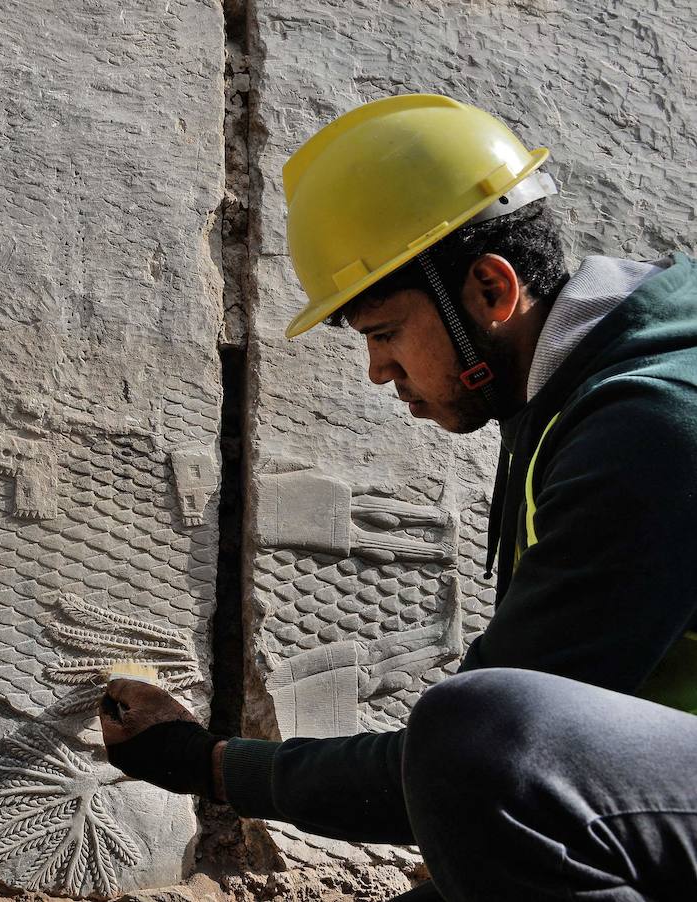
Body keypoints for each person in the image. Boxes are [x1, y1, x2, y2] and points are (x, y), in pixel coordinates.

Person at [99, 94, 697, 901]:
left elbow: (486, 759)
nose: (378, 371)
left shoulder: (651, 429)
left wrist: (211, 765)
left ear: (490, 289)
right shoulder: (573, 392)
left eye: (383, 332)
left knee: (474, 733)